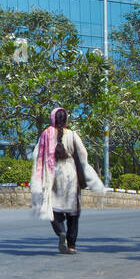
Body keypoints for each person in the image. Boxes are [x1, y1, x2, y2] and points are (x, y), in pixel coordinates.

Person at [30, 107, 104, 253]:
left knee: (53, 207)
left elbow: (36, 154)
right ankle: (71, 245)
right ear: (66, 120)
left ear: (52, 119)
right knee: (73, 212)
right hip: (71, 173)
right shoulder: (73, 134)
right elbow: (83, 154)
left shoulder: (46, 134)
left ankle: (60, 231)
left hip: (53, 174)